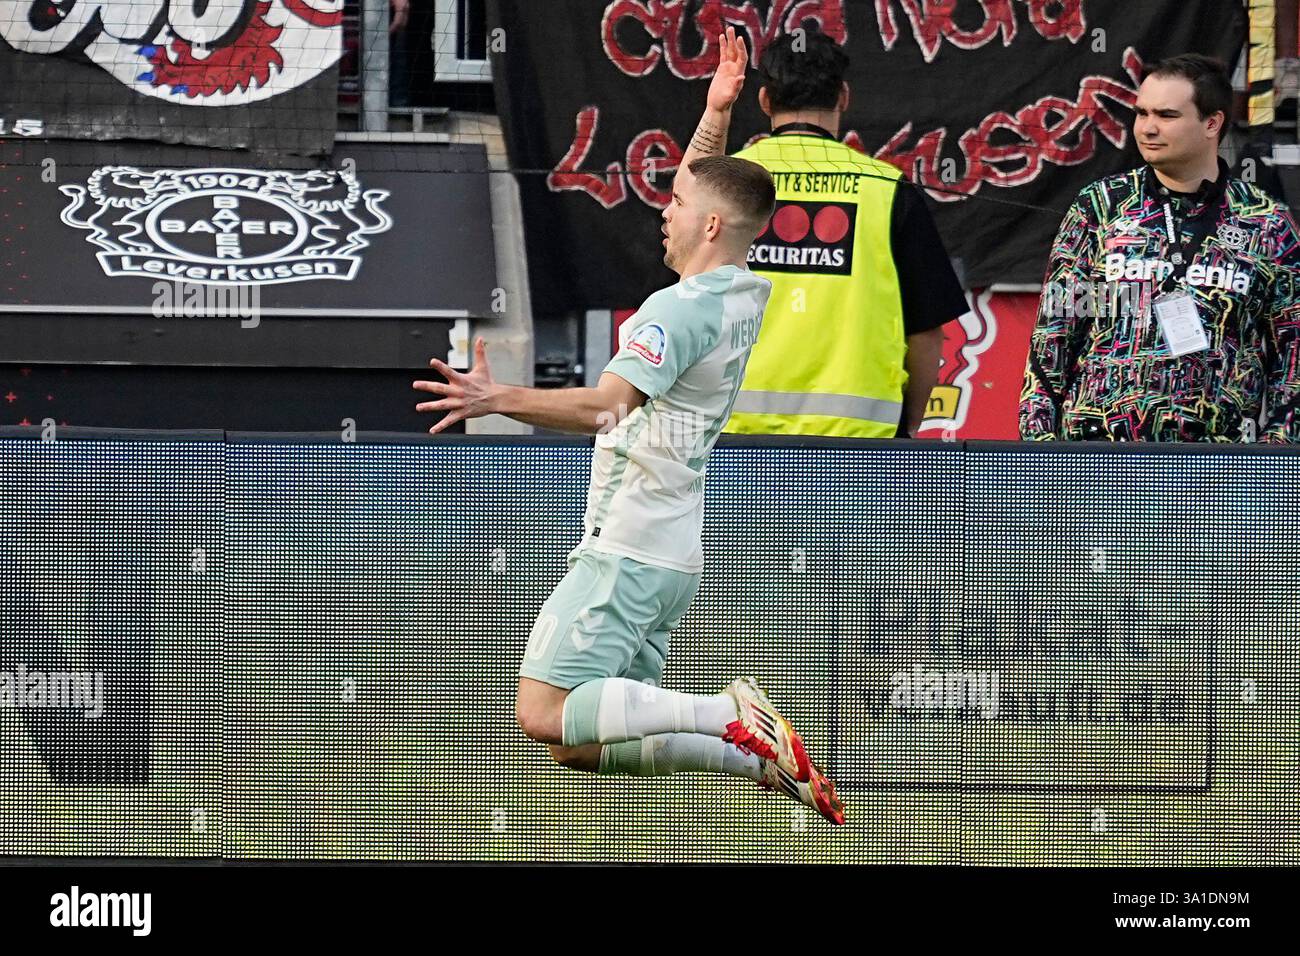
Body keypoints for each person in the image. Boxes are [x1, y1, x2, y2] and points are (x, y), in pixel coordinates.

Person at [413, 155, 845, 824]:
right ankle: (748, 755)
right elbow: (716, 186)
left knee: (541, 711)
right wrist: (715, 110)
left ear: (707, 224)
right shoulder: (740, 292)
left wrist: (495, 397)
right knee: (577, 745)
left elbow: (607, 408)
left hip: (626, 551)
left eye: (673, 200)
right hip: (673, 558)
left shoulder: (675, 310)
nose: (661, 212)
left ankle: (728, 713)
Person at [682, 26, 967, 439]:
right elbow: (926, 333)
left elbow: (684, 291)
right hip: (860, 446)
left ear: (764, 101)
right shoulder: (887, 189)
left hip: (732, 442)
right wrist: (909, 427)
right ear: (844, 97)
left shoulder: (728, 183)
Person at [1021, 54, 1300, 442]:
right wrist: (1040, 448)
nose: (1148, 128)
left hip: (1218, 469)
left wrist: (1274, 456)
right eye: (1142, 113)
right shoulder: (1100, 205)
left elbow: (1293, 357)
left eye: (1166, 116)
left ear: (1212, 123)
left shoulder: (1266, 222)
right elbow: (1053, 336)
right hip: (1094, 462)